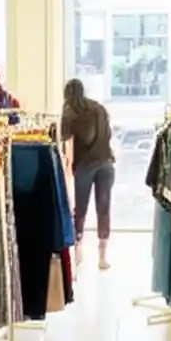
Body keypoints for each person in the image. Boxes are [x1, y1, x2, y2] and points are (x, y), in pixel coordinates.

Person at [61, 79, 115, 270]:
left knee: (80, 209)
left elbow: (63, 137)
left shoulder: (70, 110)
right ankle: (102, 256)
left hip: (85, 165)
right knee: (104, 207)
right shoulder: (99, 108)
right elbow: (108, 134)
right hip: (106, 162)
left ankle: (77, 253)